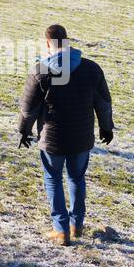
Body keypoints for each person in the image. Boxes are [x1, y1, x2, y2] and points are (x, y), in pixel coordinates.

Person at [17, 24, 115, 246]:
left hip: (52, 139)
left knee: (53, 179)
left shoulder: (40, 71)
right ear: (67, 41)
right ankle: (76, 225)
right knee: (77, 178)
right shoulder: (92, 69)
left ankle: (61, 231)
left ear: (48, 44)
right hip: (81, 137)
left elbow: (27, 109)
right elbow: (104, 103)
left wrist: (24, 131)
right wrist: (106, 127)